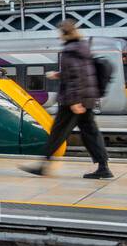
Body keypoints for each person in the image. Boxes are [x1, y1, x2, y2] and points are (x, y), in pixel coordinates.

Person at [21, 19, 112, 179]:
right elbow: (80, 73)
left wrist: (75, 101)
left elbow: (76, 78)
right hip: (87, 98)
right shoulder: (83, 47)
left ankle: (43, 165)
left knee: (58, 132)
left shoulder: (70, 50)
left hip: (73, 100)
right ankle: (103, 167)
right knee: (90, 132)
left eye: (59, 33)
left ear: (64, 33)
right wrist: (59, 75)